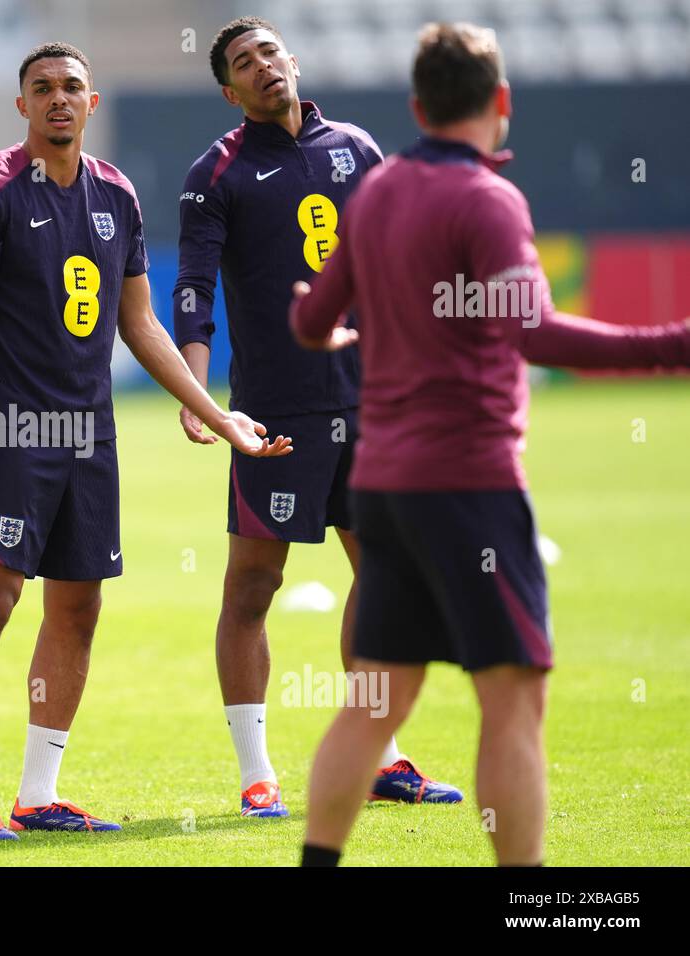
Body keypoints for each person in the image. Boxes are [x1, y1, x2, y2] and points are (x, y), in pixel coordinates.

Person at [291, 22, 690, 866]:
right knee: (511, 702)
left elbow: (309, 319)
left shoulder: (379, 192)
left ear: (417, 106)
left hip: (384, 485)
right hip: (467, 484)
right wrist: (672, 342)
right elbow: (536, 335)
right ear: (500, 103)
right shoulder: (487, 200)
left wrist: (335, 335)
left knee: (373, 704)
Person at [0, 42, 291, 841]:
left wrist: (219, 411)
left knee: (80, 606)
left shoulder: (117, 194)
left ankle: (38, 794)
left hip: (90, 432)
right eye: (42, 88)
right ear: (21, 105)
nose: (58, 99)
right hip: (10, 426)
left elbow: (142, 324)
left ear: (92, 104)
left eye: (72, 88)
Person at [174, 16, 461, 817]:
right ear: (231, 91)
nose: (263, 66)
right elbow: (192, 289)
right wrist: (202, 397)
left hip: (372, 402)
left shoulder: (360, 150)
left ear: (291, 61)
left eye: (270, 51)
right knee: (254, 586)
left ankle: (382, 756)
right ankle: (256, 773)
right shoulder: (216, 172)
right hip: (277, 410)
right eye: (244, 63)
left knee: (385, 578)